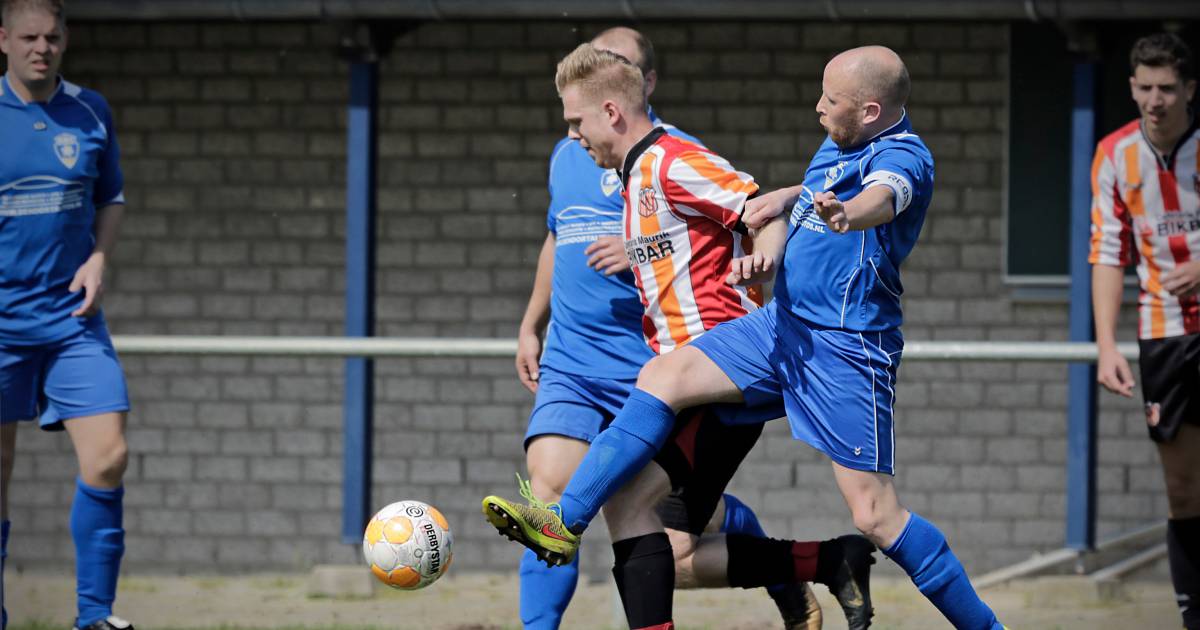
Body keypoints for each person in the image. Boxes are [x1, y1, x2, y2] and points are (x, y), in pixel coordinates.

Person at [485, 45, 1009, 630]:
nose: (817, 107)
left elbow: (882, 197)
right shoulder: (840, 142)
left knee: (875, 515)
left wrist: (849, 214)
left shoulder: (905, 156)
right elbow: (804, 205)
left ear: (869, 111)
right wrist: (778, 227)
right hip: (780, 324)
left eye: (830, 99)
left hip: (844, 347)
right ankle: (564, 523)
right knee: (663, 378)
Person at [512, 26, 833, 630]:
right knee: (596, 498)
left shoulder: (672, 158)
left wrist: (767, 252)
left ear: (624, 97)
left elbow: (758, 208)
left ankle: (815, 560)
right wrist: (533, 322)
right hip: (586, 361)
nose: (573, 133)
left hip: (686, 367)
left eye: (579, 120)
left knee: (666, 527)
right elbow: (562, 235)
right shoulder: (604, 163)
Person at [0, 1, 133, 629]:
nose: (41, 48)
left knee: (108, 457)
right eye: (28, 37)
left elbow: (111, 197)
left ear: (65, 39)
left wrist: (99, 257)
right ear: (3, 39)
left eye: (52, 37)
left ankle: (94, 617)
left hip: (72, 321)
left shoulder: (90, 110)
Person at [1090, 32, 1200, 630]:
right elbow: (1108, 251)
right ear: (1132, 88)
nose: (1155, 100)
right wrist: (1108, 344)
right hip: (1164, 334)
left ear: (1189, 90)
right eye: (1145, 88)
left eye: (1167, 88)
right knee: (1183, 490)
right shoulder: (1114, 154)